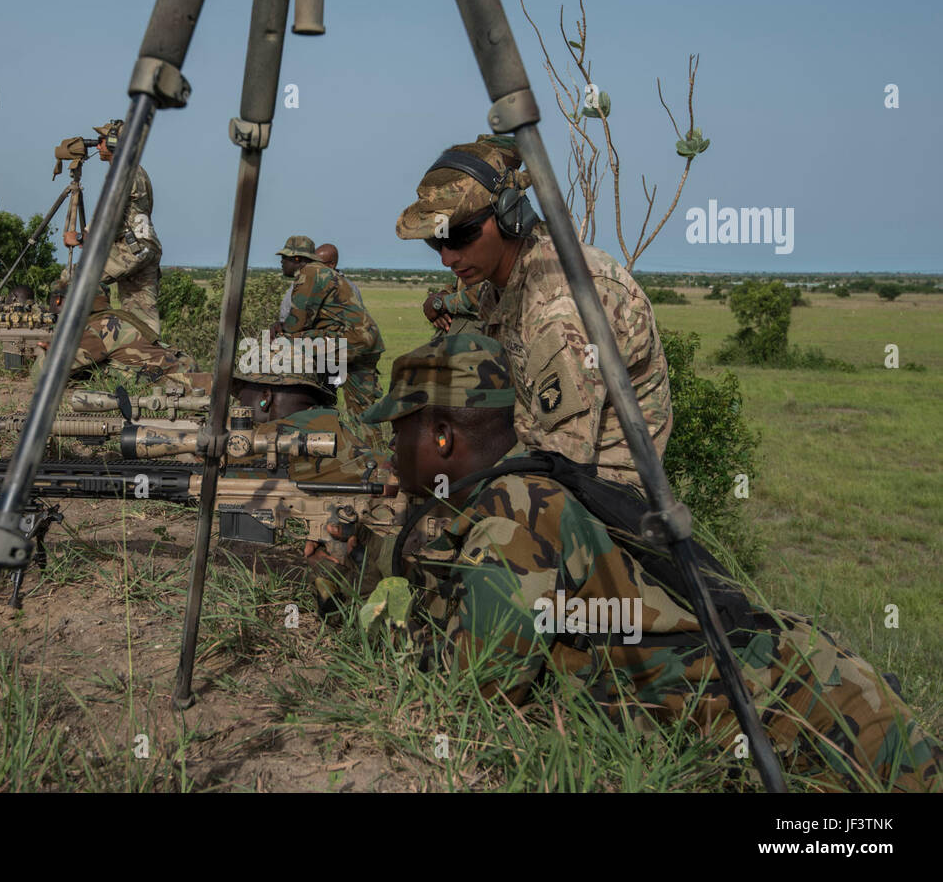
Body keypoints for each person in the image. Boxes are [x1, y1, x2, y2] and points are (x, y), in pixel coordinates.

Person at [320, 333, 942, 792]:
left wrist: (351, 596)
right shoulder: (519, 488)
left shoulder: (513, 518)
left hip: (815, 718)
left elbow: (472, 690)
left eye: (397, 432)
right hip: (785, 698)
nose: (389, 450)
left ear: (443, 439)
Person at [398, 135, 671, 491]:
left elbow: (564, 460)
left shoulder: (560, 306)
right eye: (436, 242)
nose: (447, 258)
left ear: (510, 215)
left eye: (461, 235)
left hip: (605, 498)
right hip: (543, 464)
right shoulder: (505, 281)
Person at [272, 236, 385, 421]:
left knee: (284, 342)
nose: (281, 262)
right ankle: (370, 447)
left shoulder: (310, 274)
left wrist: (280, 329)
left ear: (298, 259)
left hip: (348, 342)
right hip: (365, 343)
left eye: (285, 258)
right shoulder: (328, 274)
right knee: (363, 414)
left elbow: (295, 325)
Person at [40, 279, 207, 394]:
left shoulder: (98, 329)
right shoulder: (116, 318)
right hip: (188, 377)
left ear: (59, 301)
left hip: (178, 388)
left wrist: (49, 350)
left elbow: (41, 375)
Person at [90, 119, 163, 337]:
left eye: (102, 141)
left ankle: (93, 342)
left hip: (129, 249)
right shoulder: (138, 170)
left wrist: (85, 237)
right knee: (143, 315)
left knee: (77, 280)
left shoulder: (121, 172)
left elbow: (109, 215)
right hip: (146, 247)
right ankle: (151, 361)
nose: (97, 146)